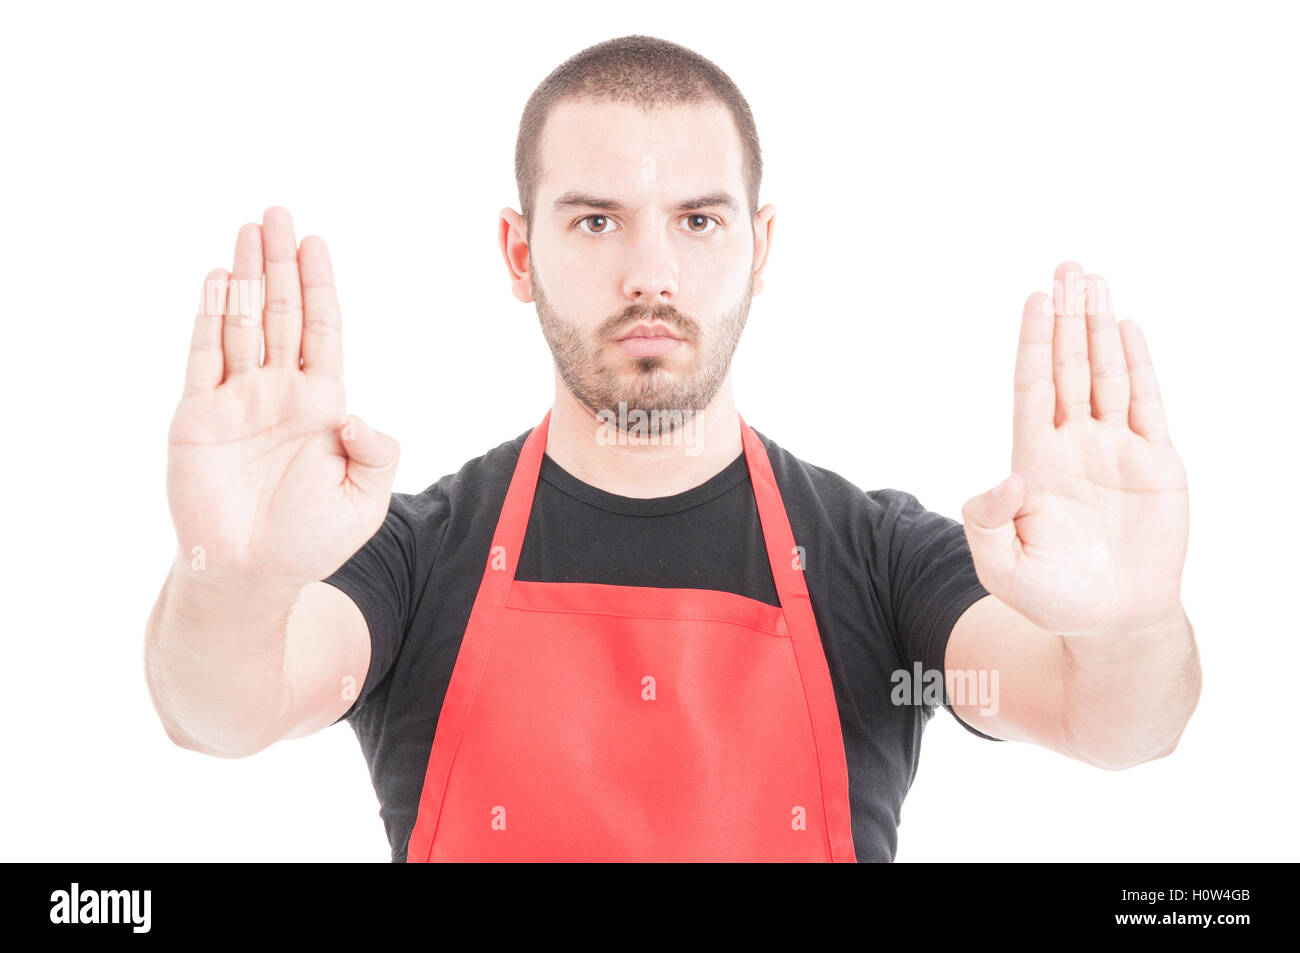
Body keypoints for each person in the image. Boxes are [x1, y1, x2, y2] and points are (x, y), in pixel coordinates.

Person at [144, 35, 1201, 863]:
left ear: (759, 246)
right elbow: (220, 711)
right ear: (520, 252)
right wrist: (233, 581)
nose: (650, 271)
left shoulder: (879, 561)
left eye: (697, 221)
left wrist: (1131, 625)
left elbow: (1108, 722)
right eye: (596, 221)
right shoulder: (413, 558)